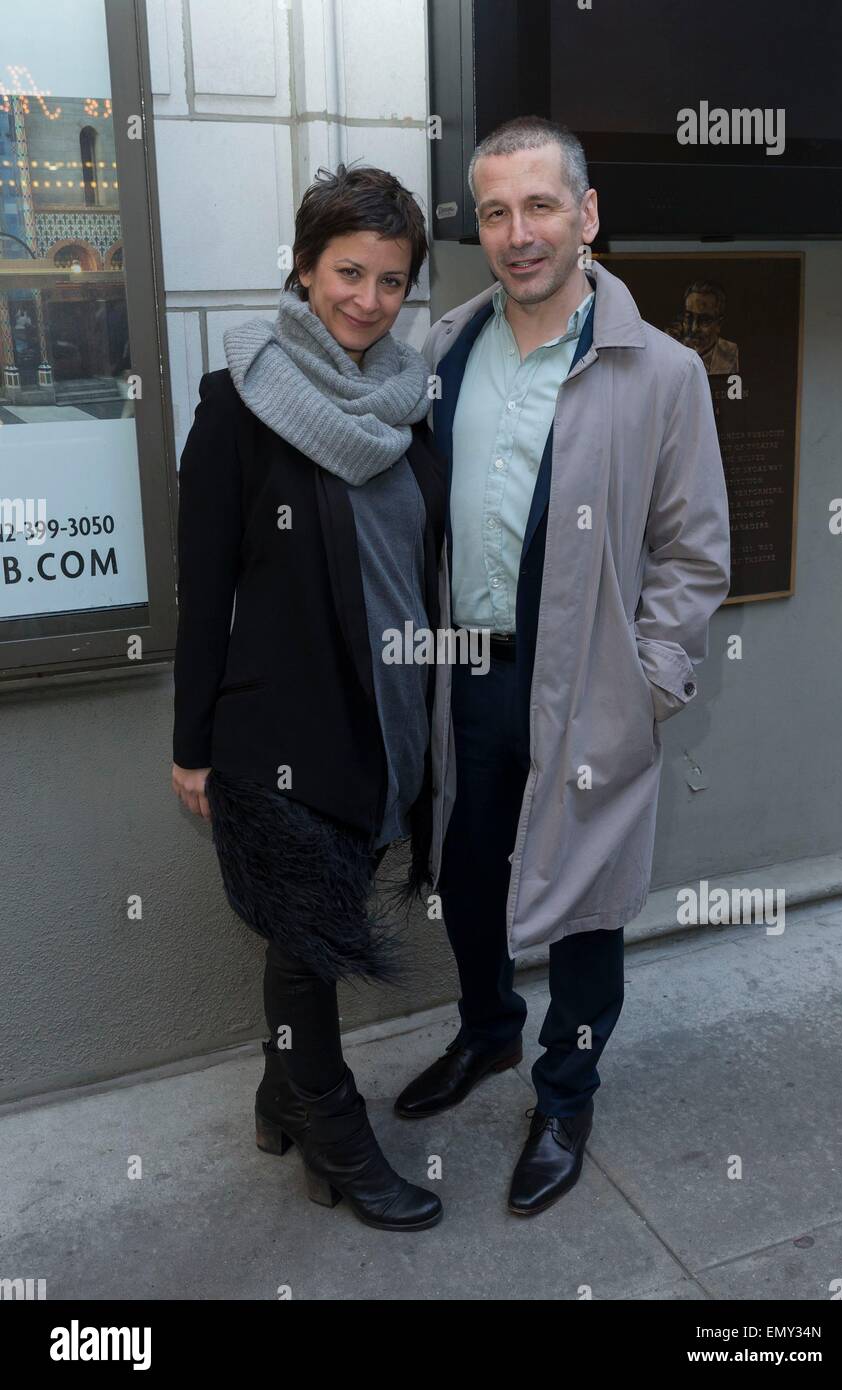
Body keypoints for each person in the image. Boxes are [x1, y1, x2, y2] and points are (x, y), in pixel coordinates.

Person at [395, 116, 731, 1217]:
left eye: (539, 206)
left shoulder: (658, 369)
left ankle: (564, 1090)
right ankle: (488, 1030)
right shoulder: (445, 348)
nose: (516, 232)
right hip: (472, 679)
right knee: (472, 873)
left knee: (585, 904)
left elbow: (692, 549)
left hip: (590, 687)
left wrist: (651, 679)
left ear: (586, 216)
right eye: (494, 211)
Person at [171, 164, 447, 1232]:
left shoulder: (404, 401)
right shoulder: (237, 402)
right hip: (279, 729)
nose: (366, 300)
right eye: (346, 272)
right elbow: (205, 592)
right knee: (308, 941)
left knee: (303, 940)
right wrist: (191, 746)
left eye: (389, 280)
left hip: (385, 723)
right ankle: (336, 1137)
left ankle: (280, 1095)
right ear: (302, 267)